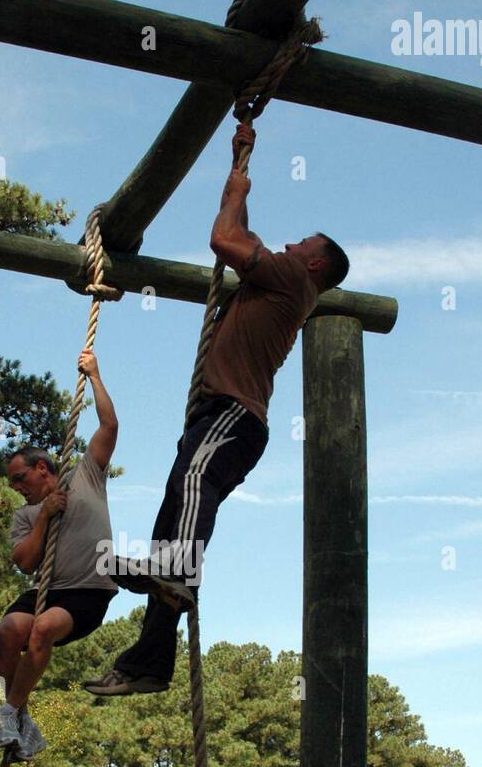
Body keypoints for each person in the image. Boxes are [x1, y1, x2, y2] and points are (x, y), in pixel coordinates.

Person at [84, 124, 349, 698]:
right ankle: (149, 662)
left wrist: (232, 189)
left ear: (314, 266)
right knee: (167, 534)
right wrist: (240, 170)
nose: (288, 244)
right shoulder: (282, 282)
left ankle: (177, 573)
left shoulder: (286, 280)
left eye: (303, 243)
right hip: (215, 420)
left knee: (191, 496)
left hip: (235, 417)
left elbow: (225, 239)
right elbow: (244, 233)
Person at [0, 348, 119, 757]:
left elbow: (109, 425)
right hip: (50, 587)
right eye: (12, 483)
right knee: (10, 630)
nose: (17, 486)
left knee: (41, 629)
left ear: (42, 468)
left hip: (88, 591)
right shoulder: (24, 516)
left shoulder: (86, 475)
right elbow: (25, 562)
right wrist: (44, 514)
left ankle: (10, 712)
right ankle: (21, 720)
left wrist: (95, 375)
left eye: (20, 477)